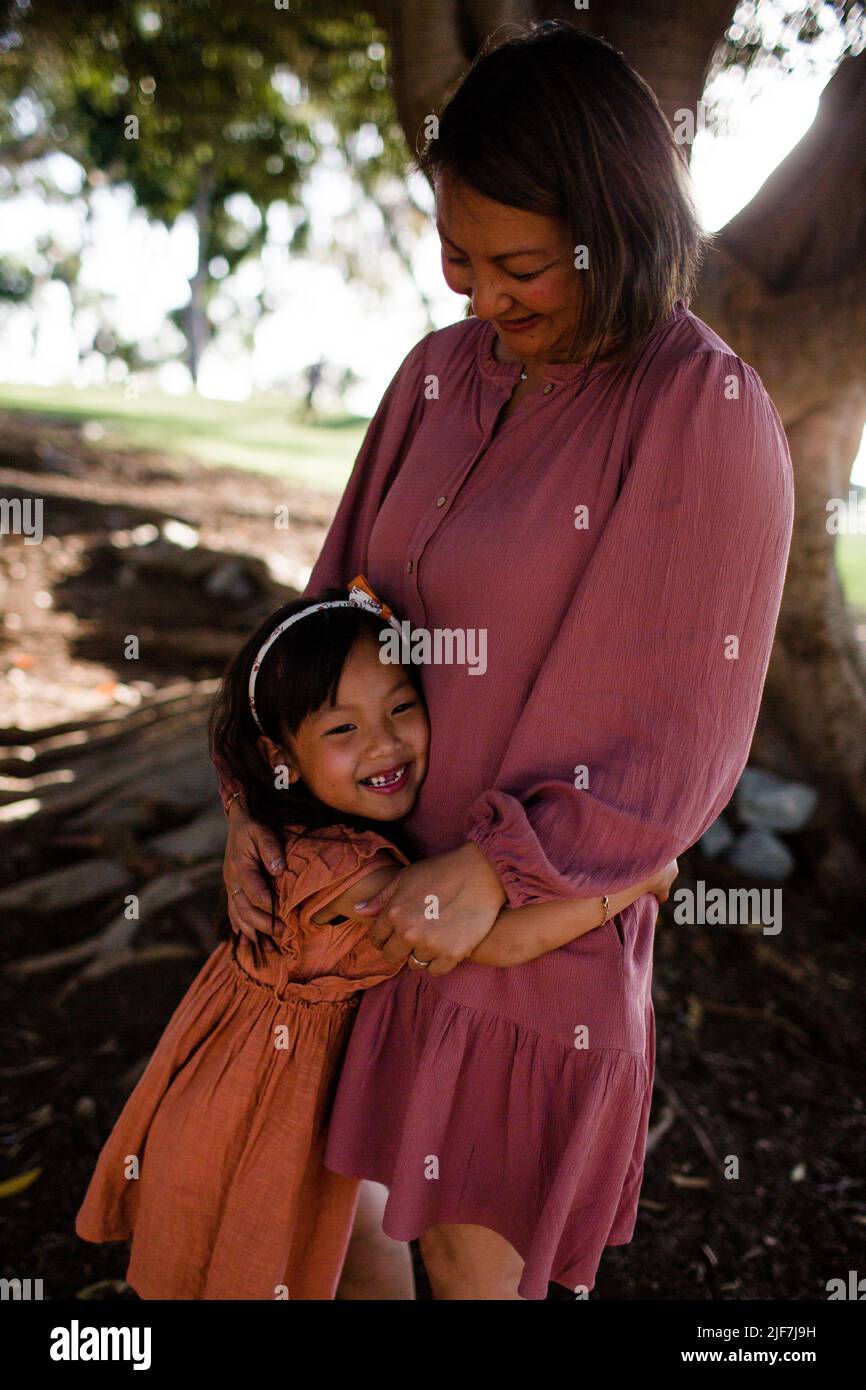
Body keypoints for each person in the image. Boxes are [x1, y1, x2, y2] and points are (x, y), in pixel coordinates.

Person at [218, 22, 794, 1300]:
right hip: (361, 913)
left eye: (519, 264)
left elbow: (684, 734)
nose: (476, 295)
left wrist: (500, 869)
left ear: (617, 225)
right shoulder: (434, 377)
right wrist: (257, 805)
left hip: (526, 958)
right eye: (457, 255)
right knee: (337, 1262)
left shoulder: (700, 411)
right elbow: (322, 623)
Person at [75, 575, 673, 1299]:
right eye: (341, 729)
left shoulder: (338, 830)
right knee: (255, 1259)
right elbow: (497, 943)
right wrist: (630, 881)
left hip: (290, 1076)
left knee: (348, 1235)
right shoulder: (339, 867)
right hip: (260, 1098)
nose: (384, 743)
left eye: (401, 707)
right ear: (280, 758)